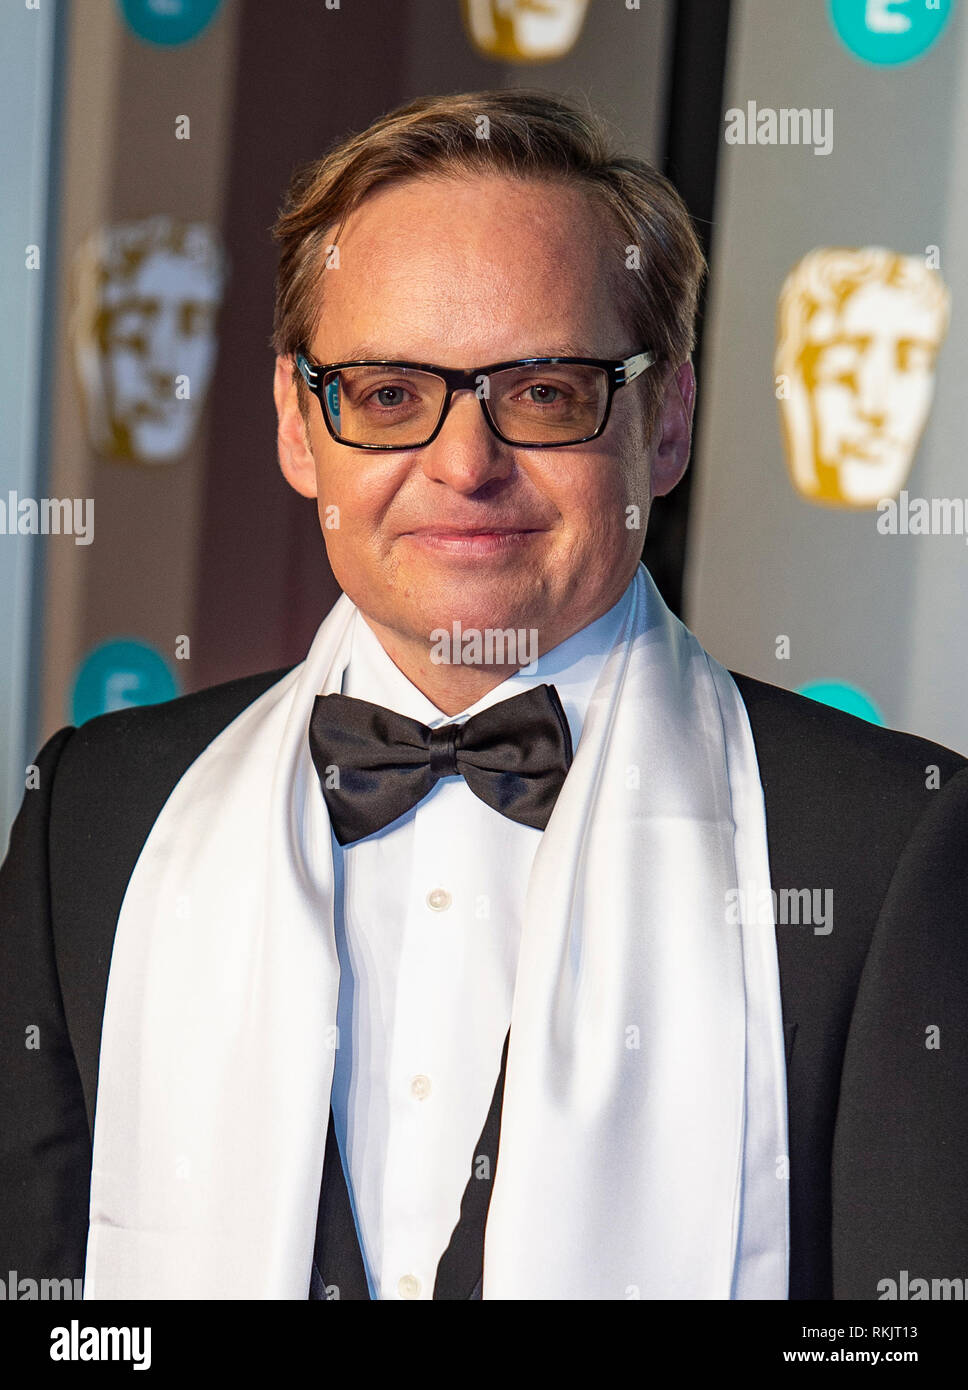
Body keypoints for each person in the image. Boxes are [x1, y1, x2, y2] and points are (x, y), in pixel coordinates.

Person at [1, 88, 966, 1303]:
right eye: (390, 394)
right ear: (302, 428)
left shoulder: (891, 844)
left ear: (664, 423)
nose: (464, 465)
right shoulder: (99, 810)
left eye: (545, 391)